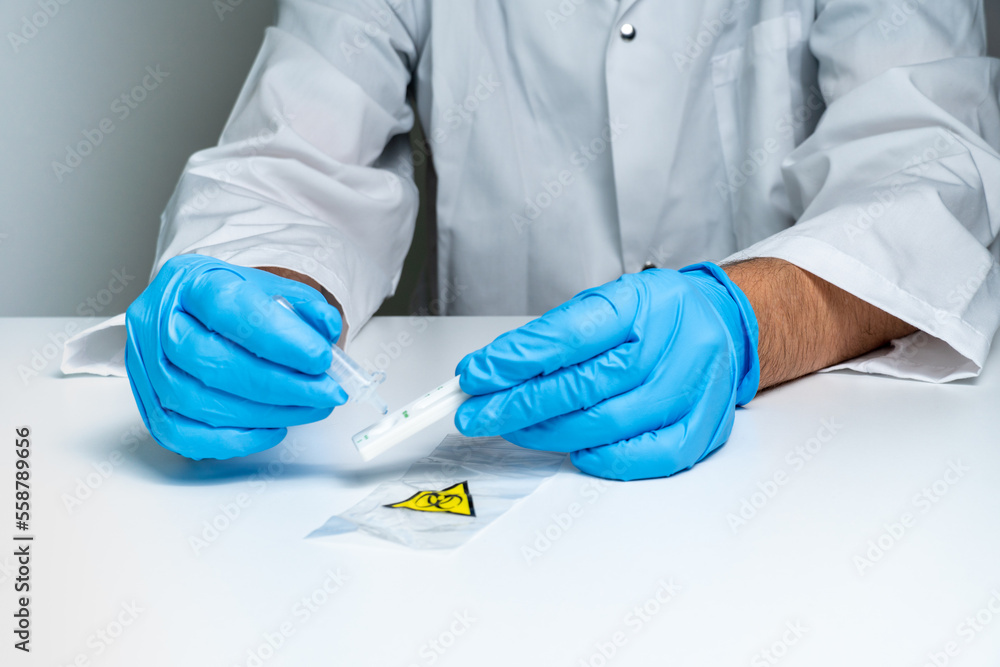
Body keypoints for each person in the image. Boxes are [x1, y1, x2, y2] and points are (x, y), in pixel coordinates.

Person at [64, 0, 1000, 480]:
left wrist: (747, 319)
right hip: (489, 486)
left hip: (800, 462)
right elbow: (297, 147)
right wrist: (253, 294)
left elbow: (931, 163)